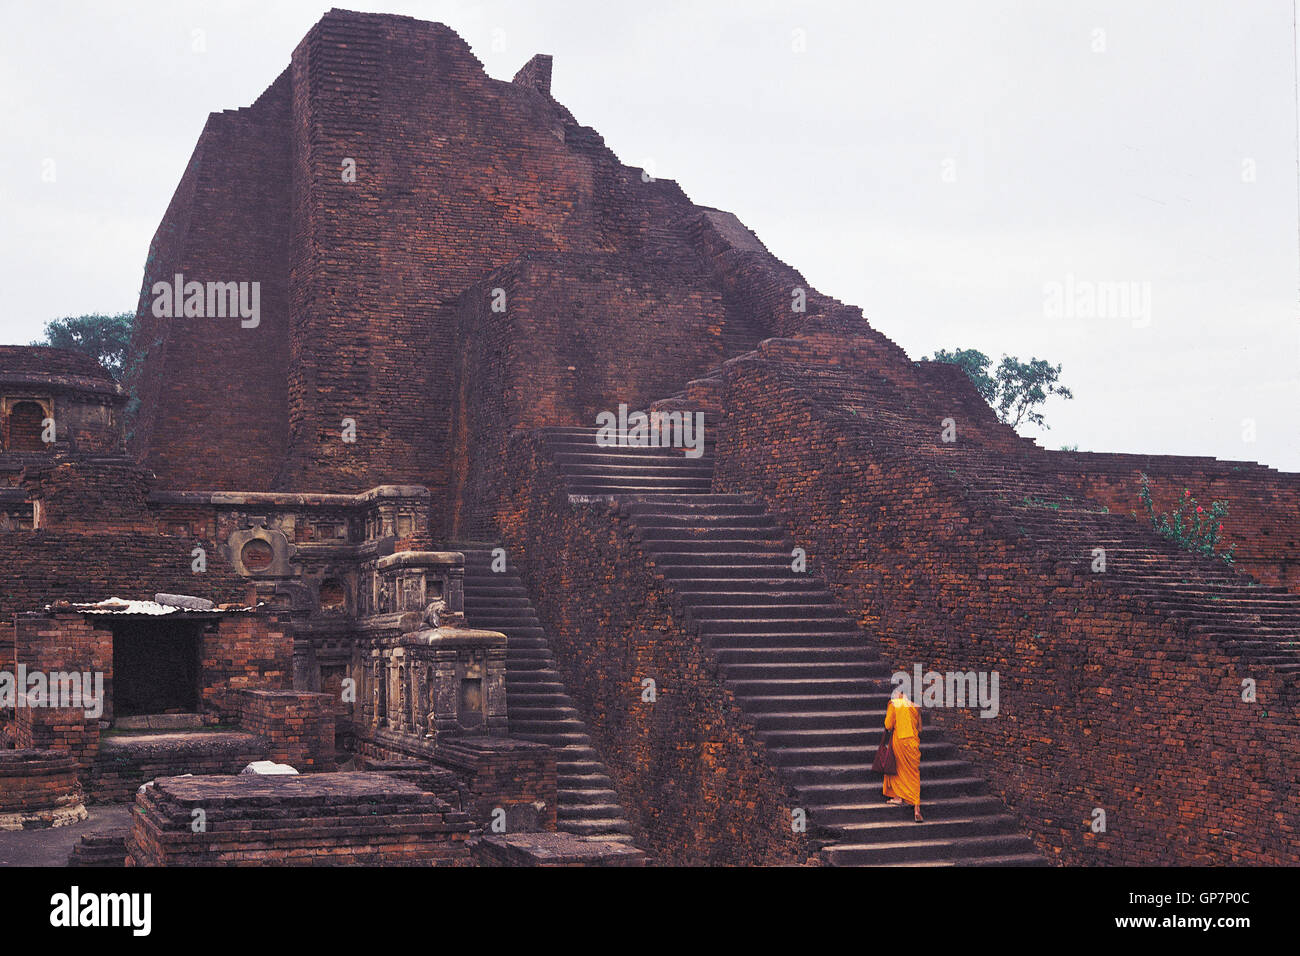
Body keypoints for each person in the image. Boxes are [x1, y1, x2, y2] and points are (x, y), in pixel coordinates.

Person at [883, 691, 923, 821]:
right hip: (913, 742)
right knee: (913, 773)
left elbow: (888, 725)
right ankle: (916, 807)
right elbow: (920, 728)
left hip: (900, 740)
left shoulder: (895, 704)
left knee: (898, 767)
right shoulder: (915, 706)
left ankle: (897, 797)